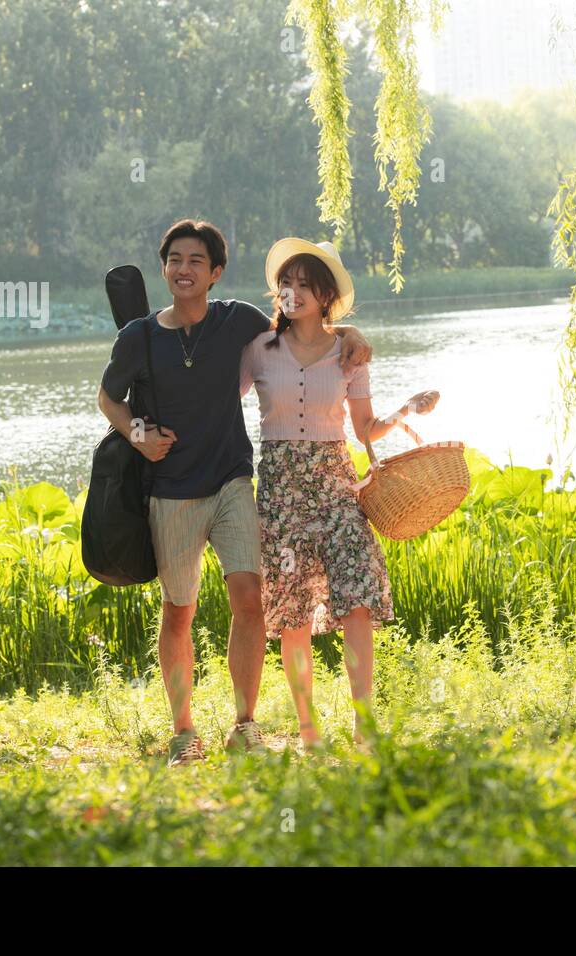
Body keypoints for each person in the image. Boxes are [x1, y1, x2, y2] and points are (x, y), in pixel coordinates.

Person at [96, 219, 373, 767]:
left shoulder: (238, 322)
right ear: (164, 267)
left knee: (251, 600)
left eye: (196, 261)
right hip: (171, 490)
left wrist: (349, 336)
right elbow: (109, 399)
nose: (184, 269)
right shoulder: (139, 337)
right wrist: (138, 435)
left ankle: (244, 725)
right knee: (180, 610)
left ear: (216, 272)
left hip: (232, 483)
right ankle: (183, 731)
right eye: (175, 259)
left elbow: (299, 336)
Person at [239, 237, 438, 751]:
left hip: (335, 489)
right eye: (286, 283)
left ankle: (363, 724)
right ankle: (308, 732)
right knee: (292, 614)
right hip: (281, 494)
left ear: (326, 295)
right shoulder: (258, 351)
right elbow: (218, 401)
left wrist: (407, 410)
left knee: (357, 602)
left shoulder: (349, 354)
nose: (293, 292)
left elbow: (365, 427)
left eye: (305, 284)